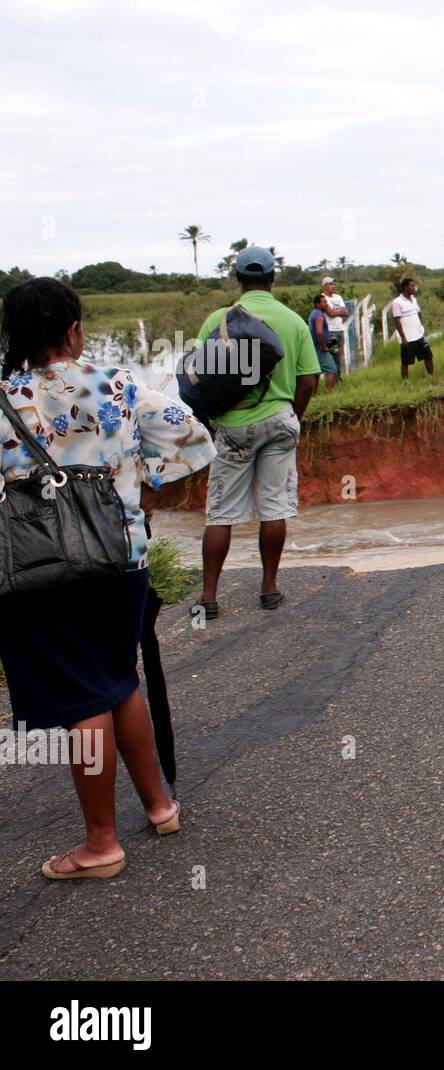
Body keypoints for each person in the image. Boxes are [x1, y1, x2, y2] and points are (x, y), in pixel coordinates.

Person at [0, 277, 215, 879]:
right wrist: (139, 479)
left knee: (81, 699)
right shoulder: (119, 384)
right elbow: (194, 439)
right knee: (118, 681)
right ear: (72, 329)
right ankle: (160, 806)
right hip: (122, 560)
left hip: (39, 569)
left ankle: (101, 845)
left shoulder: (4, 396)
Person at [196, 246, 321, 617]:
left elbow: (199, 377)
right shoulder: (293, 320)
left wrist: (211, 421)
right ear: (273, 277)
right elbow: (309, 381)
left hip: (233, 424)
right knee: (274, 506)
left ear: (238, 278)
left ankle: (209, 598)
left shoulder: (218, 319)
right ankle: (268, 589)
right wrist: (292, 416)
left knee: (219, 513)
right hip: (280, 420)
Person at [391, 277, 435, 381]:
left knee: (428, 356)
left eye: (414, 285)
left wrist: (420, 326)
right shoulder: (397, 302)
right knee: (406, 362)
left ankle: (431, 377)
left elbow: (418, 313)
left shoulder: (414, 299)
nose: (414, 288)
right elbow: (397, 321)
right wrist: (403, 338)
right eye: (412, 286)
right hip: (408, 338)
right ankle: (405, 382)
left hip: (419, 335)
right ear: (405, 287)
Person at [307, 293, 336, 391]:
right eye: (324, 302)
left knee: (317, 372)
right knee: (331, 369)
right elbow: (319, 332)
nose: (326, 304)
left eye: (326, 302)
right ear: (317, 304)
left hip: (313, 347)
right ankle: (329, 392)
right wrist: (324, 346)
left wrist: (328, 336)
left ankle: (313, 395)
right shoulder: (319, 315)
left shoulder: (313, 313)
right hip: (320, 348)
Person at [321, 276, 348, 366]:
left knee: (339, 356)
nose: (333, 286)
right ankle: (333, 378)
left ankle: (338, 378)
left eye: (334, 284)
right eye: (330, 284)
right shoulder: (323, 299)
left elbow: (346, 312)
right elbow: (330, 314)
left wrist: (335, 312)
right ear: (325, 286)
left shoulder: (338, 297)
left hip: (340, 329)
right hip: (330, 331)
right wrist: (339, 311)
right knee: (332, 355)